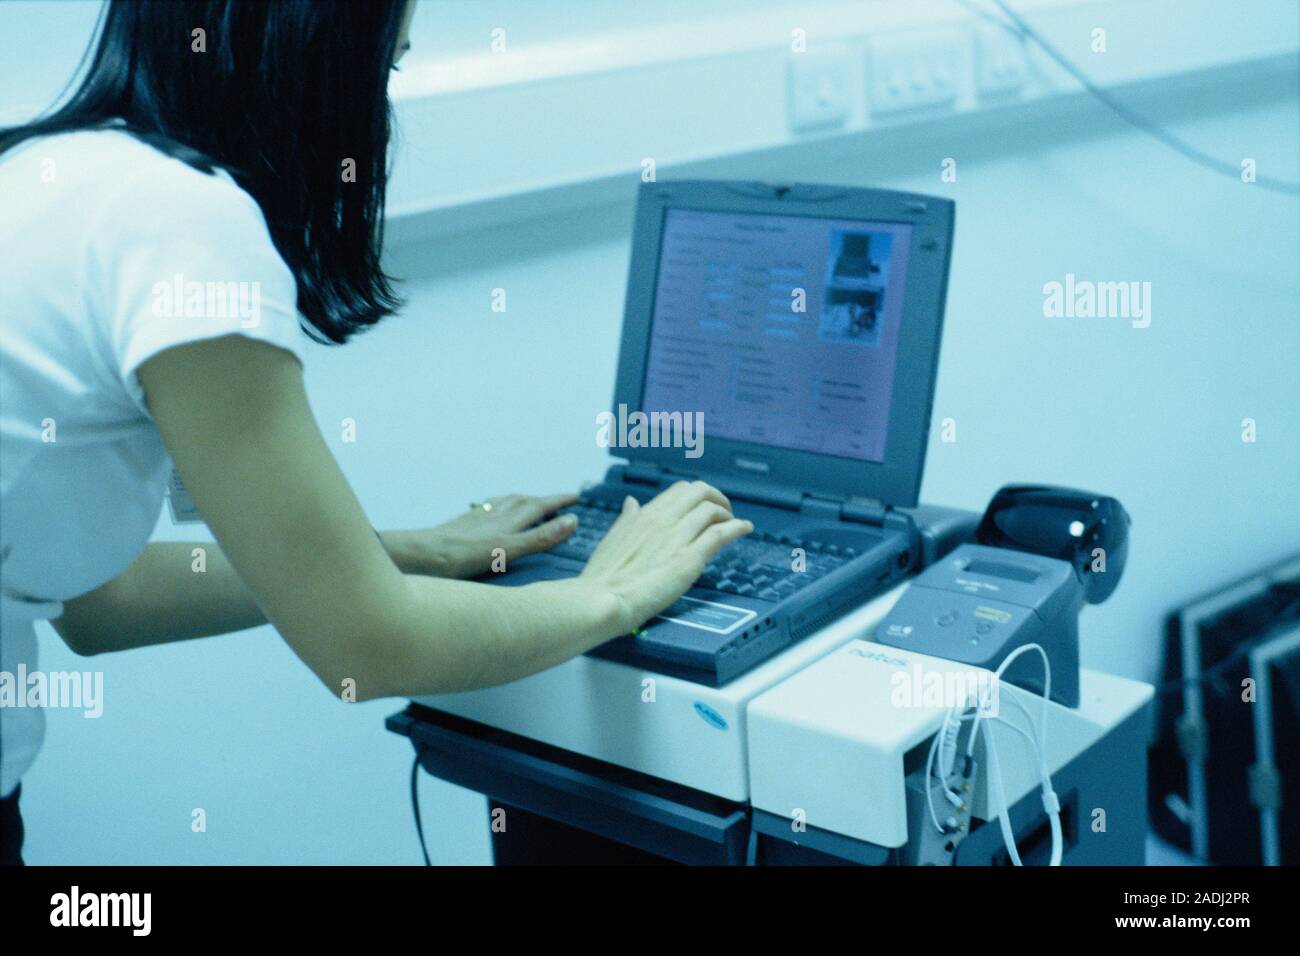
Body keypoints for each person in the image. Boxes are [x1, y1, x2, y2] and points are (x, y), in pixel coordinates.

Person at [0, 0, 751, 865]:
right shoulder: (181, 223)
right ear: (314, 60)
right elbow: (365, 645)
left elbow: (100, 599)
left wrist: (406, 552)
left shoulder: (44, 174)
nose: (381, 112)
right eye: (386, 68)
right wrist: (610, 594)